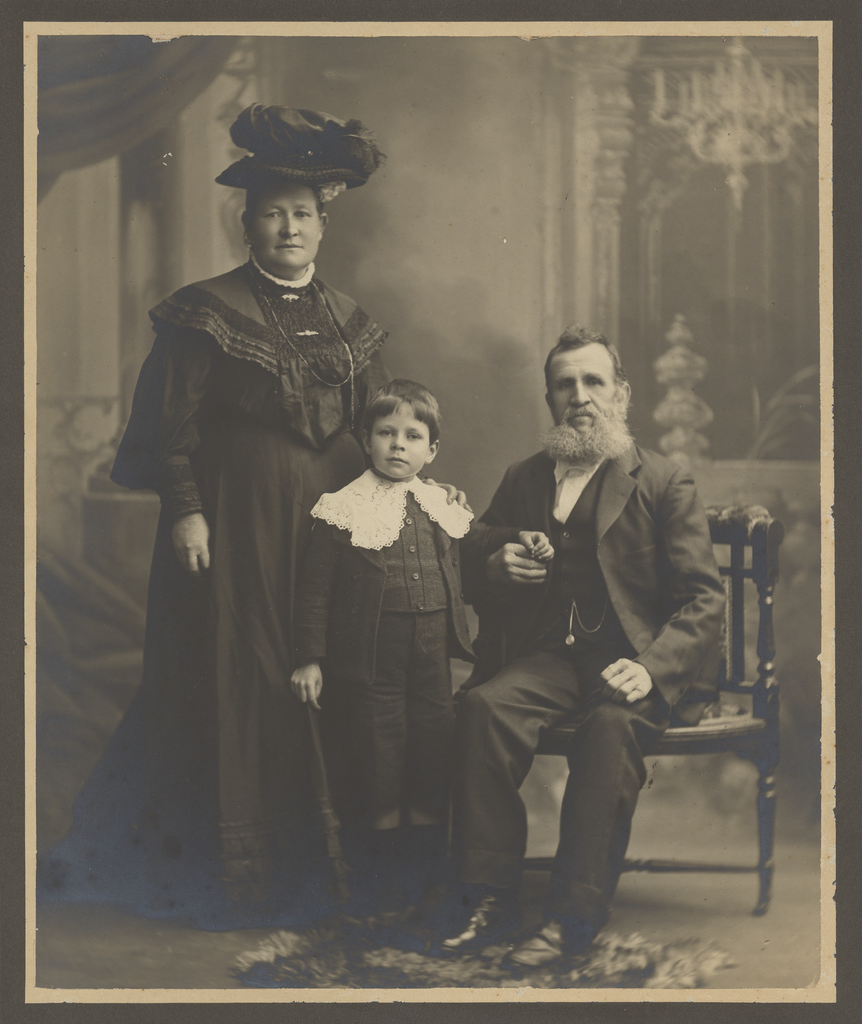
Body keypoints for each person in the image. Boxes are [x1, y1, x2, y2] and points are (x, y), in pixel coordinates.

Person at [39, 105, 394, 929]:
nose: (288, 228)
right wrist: (188, 512)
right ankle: (221, 875)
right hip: (230, 531)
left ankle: (317, 868)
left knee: (318, 674)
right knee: (235, 679)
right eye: (272, 213)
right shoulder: (202, 312)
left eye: (302, 214)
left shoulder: (354, 323)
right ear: (247, 222)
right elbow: (170, 431)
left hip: (325, 532)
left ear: (323, 223)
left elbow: (383, 430)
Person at [440, 325, 726, 968]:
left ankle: (571, 919)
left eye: (594, 382)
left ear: (620, 394)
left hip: (634, 664)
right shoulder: (524, 476)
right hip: (551, 659)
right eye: (565, 385)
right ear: (549, 400)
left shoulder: (663, 480)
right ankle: (490, 898)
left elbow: (705, 599)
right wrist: (499, 563)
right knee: (484, 709)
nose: (580, 396)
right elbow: (477, 543)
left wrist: (651, 670)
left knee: (606, 730)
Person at [290, 379, 489, 914]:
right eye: (386, 433)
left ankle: (425, 878)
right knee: (379, 760)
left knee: (431, 754)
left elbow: (472, 558)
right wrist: (310, 658)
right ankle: (379, 886)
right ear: (365, 439)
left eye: (413, 435)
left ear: (432, 449)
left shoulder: (439, 503)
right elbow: (313, 591)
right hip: (369, 663)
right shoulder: (341, 508)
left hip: (431, 661)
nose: (398, 445)